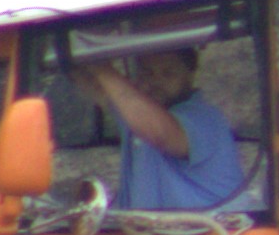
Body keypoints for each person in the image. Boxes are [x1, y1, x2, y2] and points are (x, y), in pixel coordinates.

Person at [85, 44, 257, 219]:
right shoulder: (136, 116)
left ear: (190, 75)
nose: (156, 82)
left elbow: (162, 135)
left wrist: (102, 68)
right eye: (147, 73)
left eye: (168, 73)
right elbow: (91, 83)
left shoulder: (203, 117)